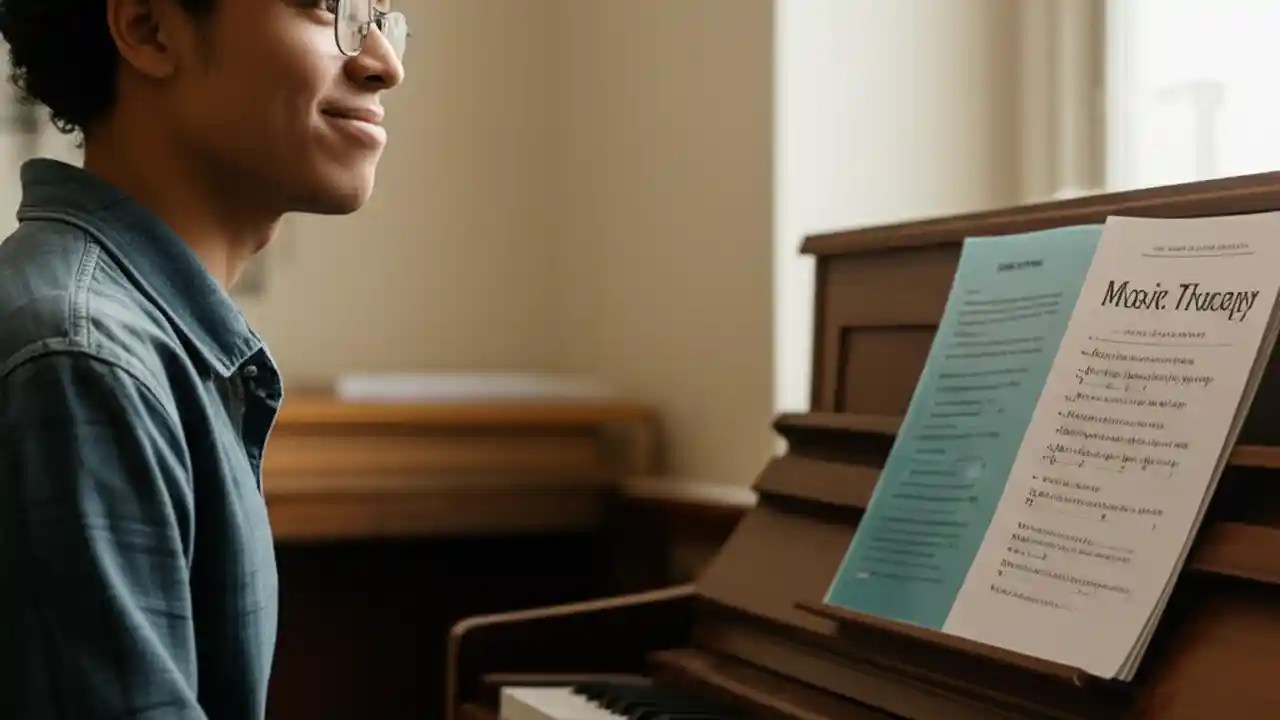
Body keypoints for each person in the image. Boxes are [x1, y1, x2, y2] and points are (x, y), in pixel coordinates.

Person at [0, 0, 406, 717]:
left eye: (382, 15)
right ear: (150, 28)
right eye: (325, 8)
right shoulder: (85, 365)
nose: (383, 63)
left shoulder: (127, 343)